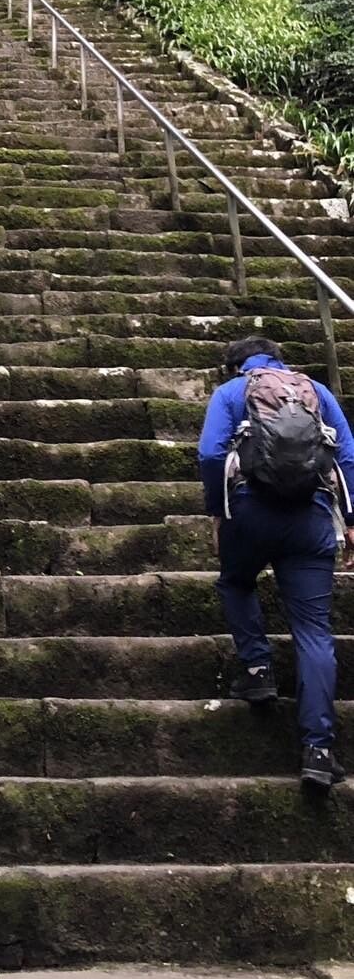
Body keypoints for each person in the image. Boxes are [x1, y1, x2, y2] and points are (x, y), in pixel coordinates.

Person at [198, 334, 354, 791]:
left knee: (237, 582)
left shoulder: (232, 392)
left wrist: (218, 507)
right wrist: (352, 518)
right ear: (277, 361)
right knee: (314, 631)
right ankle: (319, 751)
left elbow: (210, 453)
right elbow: (346, 452)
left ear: (236, 367)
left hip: (249, 512)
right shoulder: (316, 391)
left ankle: (258, 670)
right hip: (309, 518)